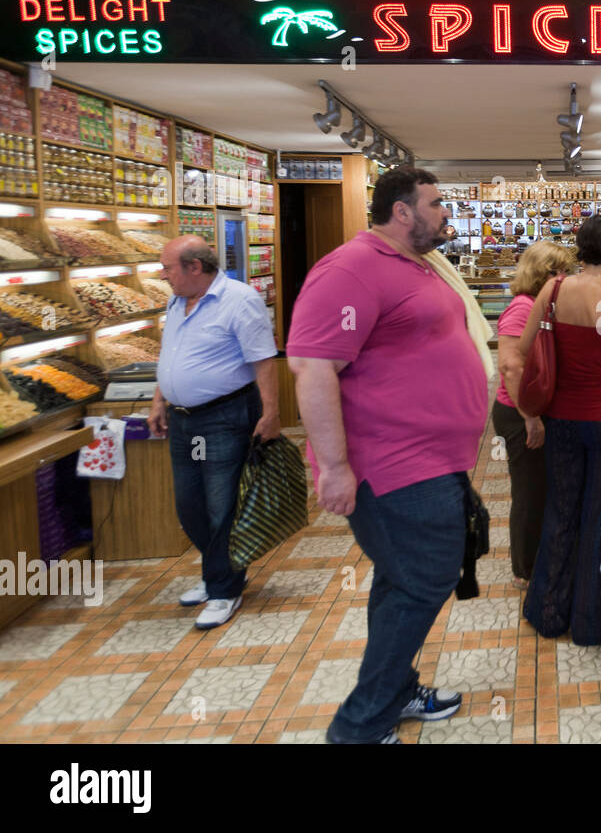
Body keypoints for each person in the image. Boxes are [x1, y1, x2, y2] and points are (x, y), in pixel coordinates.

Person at [287, 166, 489, 745]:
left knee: (399, 582)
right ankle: (359, 725)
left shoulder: (414, 263)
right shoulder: (350, 269)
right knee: (424, 581)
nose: (446, 212)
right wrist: (335, 466)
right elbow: (312, 366)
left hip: (431, 461)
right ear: (402, 212)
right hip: (394, 466)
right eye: (436, 203)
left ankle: (395, 690)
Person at [507, 215, 601, 646]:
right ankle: (594, 622)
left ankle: (547, 612)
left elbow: (526, 347)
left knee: (561, 512)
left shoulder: (552, 290)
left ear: (579, 247)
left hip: (561, 422)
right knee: (600, 522)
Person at [147, 236, 279, 630]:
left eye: (168, 267)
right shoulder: (176, 302)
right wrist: (159, 400)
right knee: (190, 505)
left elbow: (264, 360)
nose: (162, 274)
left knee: (221, 504)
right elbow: (169, 354)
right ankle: (217, 573)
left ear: (194, 267)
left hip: (223, 417)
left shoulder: (239, 300)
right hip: (183, 419)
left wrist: (271, 412)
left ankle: (223, 588)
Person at [493, 240, 576, 589]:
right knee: (528, 491)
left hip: (529, 410)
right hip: (517, 413)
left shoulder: (539, 306)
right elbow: (511, 367)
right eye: (561, 272)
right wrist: (530, 417)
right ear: (545, 274)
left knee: (539, 488)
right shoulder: (523, 308)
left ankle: (538, 557)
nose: (566, 278)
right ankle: (524, 571)